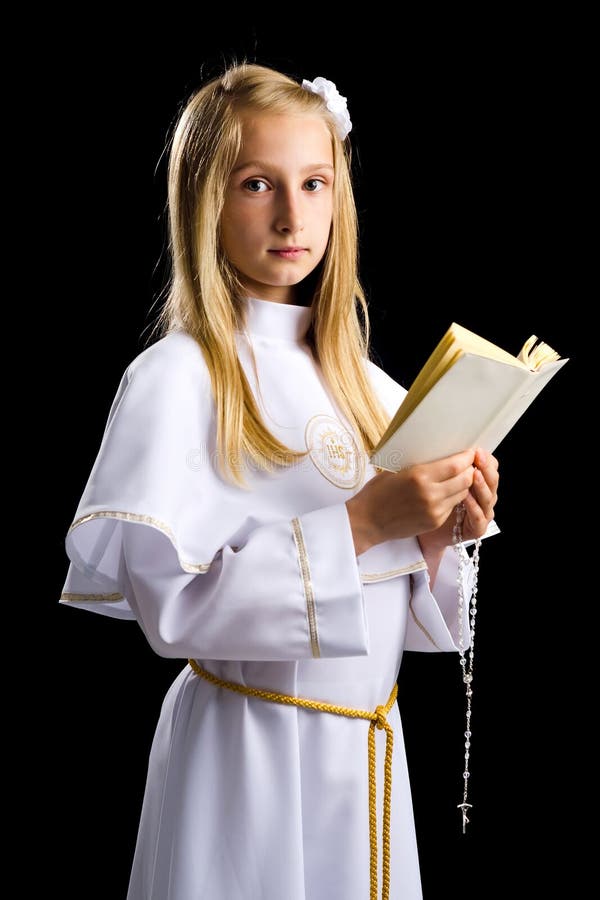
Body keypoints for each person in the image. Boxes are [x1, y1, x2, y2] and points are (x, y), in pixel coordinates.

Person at [60, 63, 499, 900]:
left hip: (364, 754)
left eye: (314, 183)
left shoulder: (371, 389)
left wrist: (442, 532)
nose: (293, 217)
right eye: (258, 184)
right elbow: (174, 612)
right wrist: (364, 524)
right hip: (244, 758)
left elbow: (405, 619)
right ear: (205, 201)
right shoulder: (177, 379)